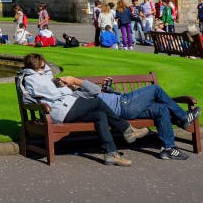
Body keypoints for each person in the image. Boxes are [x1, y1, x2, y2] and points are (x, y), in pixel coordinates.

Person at [17, 53, 147, 166]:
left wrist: (57, 83)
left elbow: (50, 80)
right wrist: (63, 87)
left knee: (99, 114)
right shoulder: (32, 79)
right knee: (96, 101)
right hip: (60, 111)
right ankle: (126, 129)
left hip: (66, 107)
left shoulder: (40, 76)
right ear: (34, 67)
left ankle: (111, 153)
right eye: (41, 66)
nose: (44, 68)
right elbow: (54, 94)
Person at [56, 75, 201, 160]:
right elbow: (94, 90)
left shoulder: (79, 92)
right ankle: (183, 118)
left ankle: (168, 149)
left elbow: (99, 92)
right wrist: (74, 80)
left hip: (126, 105)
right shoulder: (74, 95)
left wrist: (108, 90)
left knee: (161, 109)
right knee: (155, 89)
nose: (67, 81)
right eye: (64, 82)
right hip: (125, 105)